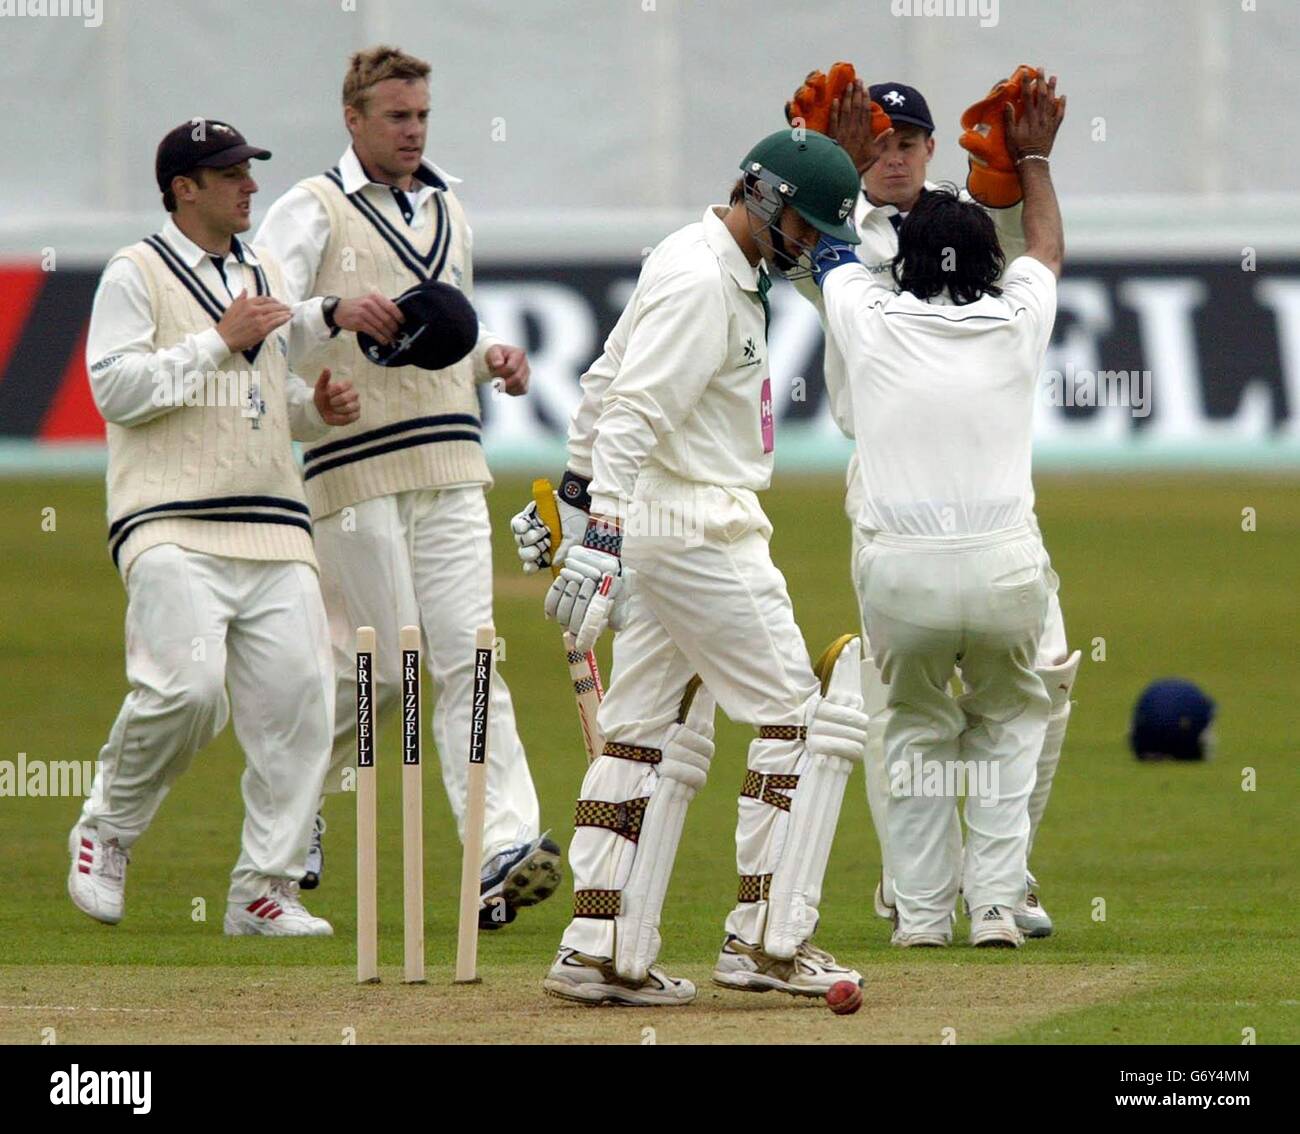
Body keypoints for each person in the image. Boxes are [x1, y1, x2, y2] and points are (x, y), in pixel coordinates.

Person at [513, 130, 870, 1006]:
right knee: (797, 722)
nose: (808, 244)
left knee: (638, 733)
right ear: (758, 192)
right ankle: (766, 939)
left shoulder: (714, 262)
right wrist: (598, 534)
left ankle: (597, 947)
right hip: (702, 532)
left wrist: (572, 492)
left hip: (669, 530)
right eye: (803, 222)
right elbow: (632, 411)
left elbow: (600, 380)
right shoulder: (701, 278)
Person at [255, 45, 559, 927]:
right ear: (353, 118)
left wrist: (489, 356)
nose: (413, 130)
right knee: (382, 677)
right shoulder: (309, 209)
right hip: (353, 471)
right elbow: (260, 321)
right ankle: (290, 815)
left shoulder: (449, 207)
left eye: (422, 115)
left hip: (452, 462)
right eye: (396, 117)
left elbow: (444, 328)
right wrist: (329, 314)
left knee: (471, 658)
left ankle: (501, 848)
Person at [795, 72, 1079, 938]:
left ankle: (926, 910)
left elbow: (822, 248)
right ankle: (992, 897)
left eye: (903, 142)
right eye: (873, 146)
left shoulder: (870, 306)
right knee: (1008, 714)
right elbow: (1042, 254)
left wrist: (820, 162)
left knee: (918, 722)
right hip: (985, 532)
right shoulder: (1014, 312)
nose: (888, 158)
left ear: (927, 149)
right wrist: (1032, 159)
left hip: (904, 533)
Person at [71, 118, 361, 936]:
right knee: (187, 694)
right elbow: (118, 392)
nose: (250, 186)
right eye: (232, 173)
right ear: (185, 188)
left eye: (249, 170)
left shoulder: (261, 269)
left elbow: (260, 397)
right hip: (167, 518)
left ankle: (263, 890)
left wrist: (315, 411)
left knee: (303, 701)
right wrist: (217, 341)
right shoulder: (136, 272)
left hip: (273, 522)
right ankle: (108, 829)